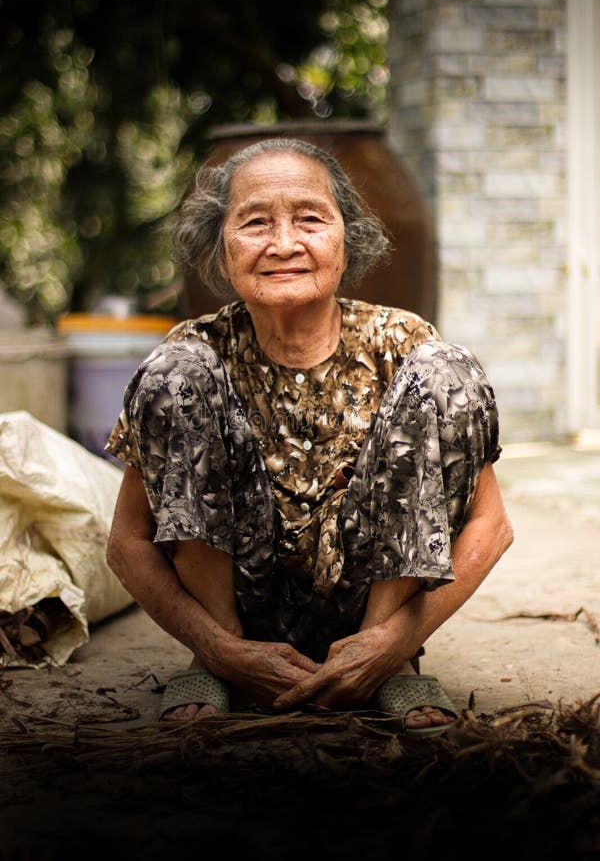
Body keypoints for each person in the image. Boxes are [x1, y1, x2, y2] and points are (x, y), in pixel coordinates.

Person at [105, 137, 513, 734]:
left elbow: (492, 526)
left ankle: (387, 667)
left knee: (447, 370)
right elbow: (127, 542)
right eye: (255, 222)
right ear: (222, 248)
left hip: (373, 608)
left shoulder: (401, 345)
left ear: (347, 240)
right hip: (240, 612)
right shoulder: (196, 355)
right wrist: (221, 650)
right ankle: (215, 661)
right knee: (175, 375)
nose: (284, 243)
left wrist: (393, 642)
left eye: (310, 220)